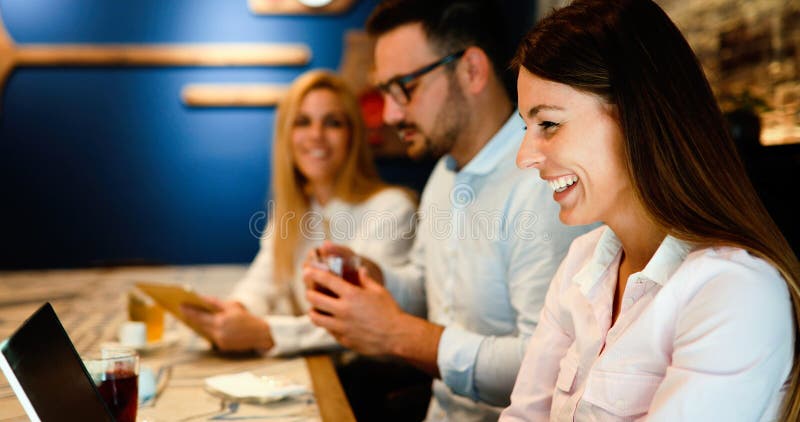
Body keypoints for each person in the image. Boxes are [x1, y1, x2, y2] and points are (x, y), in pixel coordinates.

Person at [500, 0, 800, 420]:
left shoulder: (734, 290)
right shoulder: (582, 262)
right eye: (525, 128)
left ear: (636, 118)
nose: (524, 156)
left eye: (548, 124)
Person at [302, 1, 593, 420]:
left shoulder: (545, 182)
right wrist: (371, 274)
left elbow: (549, 367)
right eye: (384, 92)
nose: (389, 114)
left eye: (404, 87)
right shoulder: (444, 172)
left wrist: (400, 336)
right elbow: (426, 287)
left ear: (471, 70)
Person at [181, 70, 416, 356]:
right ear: (287, 137)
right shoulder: (293, 213)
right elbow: (262, 281)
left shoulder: (391, 208)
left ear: (353, 136)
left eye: (333, 123)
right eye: (303, 122)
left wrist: (265, 333)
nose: (316, 136)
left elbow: (365, 322)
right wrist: (232, 311)